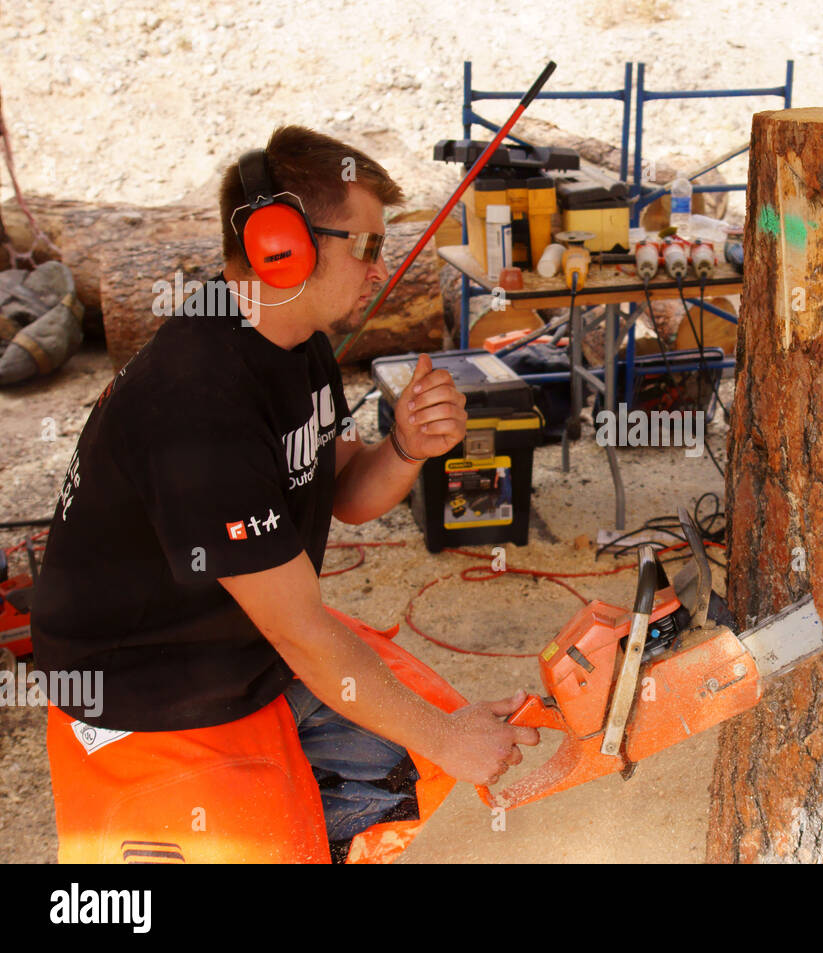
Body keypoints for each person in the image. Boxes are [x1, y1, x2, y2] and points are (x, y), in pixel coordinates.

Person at [30, 125, 539, 863]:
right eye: (365, 245)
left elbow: (340, 491)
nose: (378, 269)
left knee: (421, 783)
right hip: (149, 697)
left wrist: (404, 450)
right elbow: (302, 629)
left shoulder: (294, 345)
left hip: (244, 650)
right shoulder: (198, 403)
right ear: (281, 246)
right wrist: (447, 733)